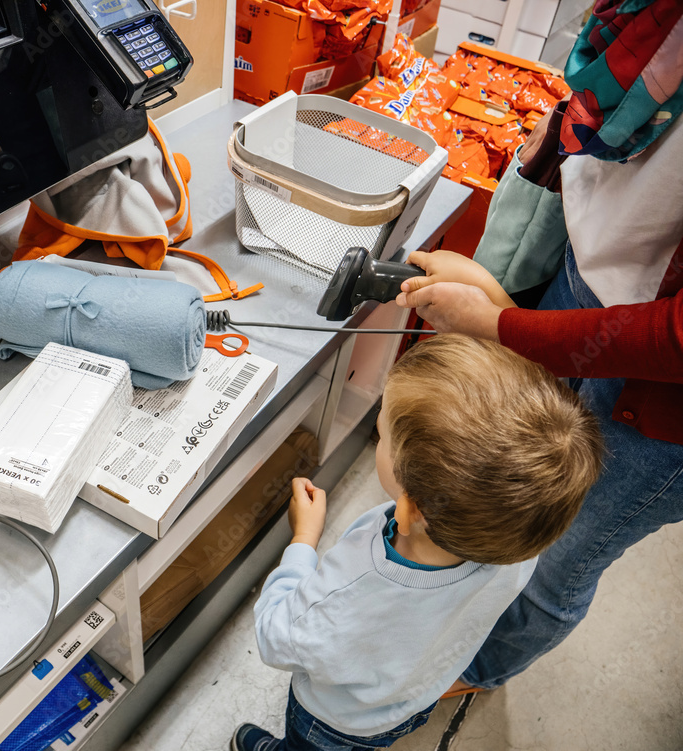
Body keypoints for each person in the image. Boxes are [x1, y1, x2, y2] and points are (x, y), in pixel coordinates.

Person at [394, 0, 683, 696]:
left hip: (661, 397)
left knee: (564, 556)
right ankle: (468, 615)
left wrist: (498, 325)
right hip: (597, 270)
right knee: (517, 470)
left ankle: (475, 670)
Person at [231, 334, 604, 751]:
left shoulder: (356, 583)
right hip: (411, 703)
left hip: (332, 723)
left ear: (411, 509)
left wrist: (303, 539)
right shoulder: (516, 547)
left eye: (383, 433)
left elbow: (276, 636)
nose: (378, 429)